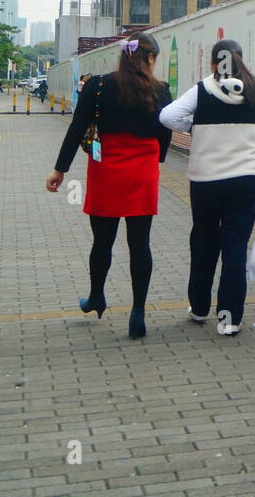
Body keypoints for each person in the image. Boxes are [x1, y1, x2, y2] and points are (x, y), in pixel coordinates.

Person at [46, 32, 172, 339]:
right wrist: (158, 160)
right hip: (143, 172)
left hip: (107, 172)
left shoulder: (98, 86)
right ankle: (138, 312)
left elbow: (76, 129)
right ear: (151, 58)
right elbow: (165, 131)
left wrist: (59, 170)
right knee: (140, 243)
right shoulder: (160, 90)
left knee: (102, 241)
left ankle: (96, 296)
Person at [160, 40, 255, 337]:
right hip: (246, 180)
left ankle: (199, 308)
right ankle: (229, 320)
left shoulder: (201, 90)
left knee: (203, 242)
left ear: (213, 63)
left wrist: (194, 126)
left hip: (206, 181)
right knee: (235, 247)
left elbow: (167, 117)